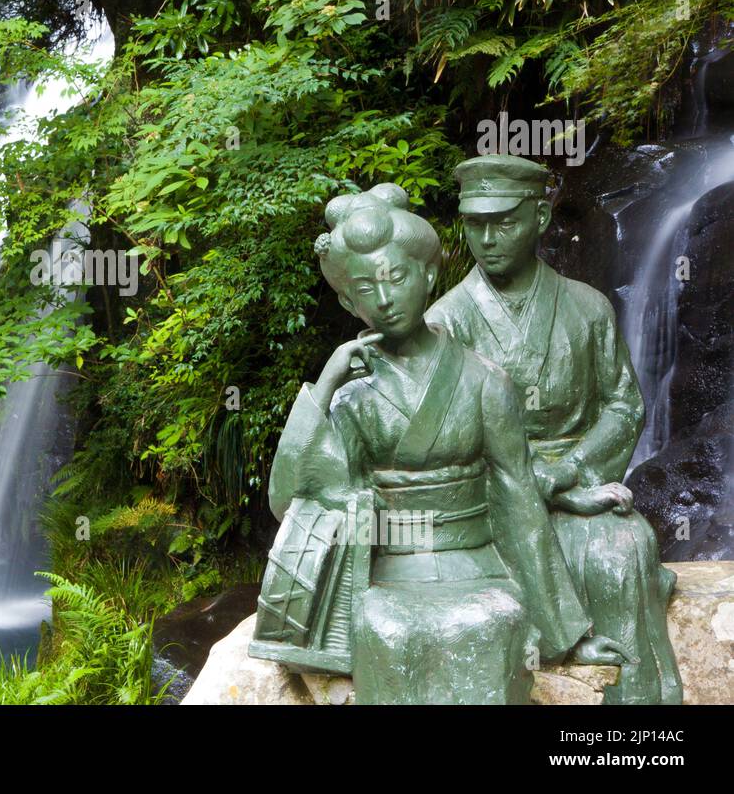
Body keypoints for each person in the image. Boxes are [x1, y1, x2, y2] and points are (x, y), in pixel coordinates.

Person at [252, 182, 624, 703]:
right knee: (385, 629)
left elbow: (516, 498)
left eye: (397, 278)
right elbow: (292, 499)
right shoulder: (351, 394)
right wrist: (324, 387)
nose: (384, 300)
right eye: (364, 288)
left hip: (476, 562)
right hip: (388, 570)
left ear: (427, 274)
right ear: (345, 298)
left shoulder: (483, 381)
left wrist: (565, 632)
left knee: (491, 623)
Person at [427, 154, 682, 705]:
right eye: (475, 223)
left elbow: (622, 406)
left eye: (505, 221)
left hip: (577, 481)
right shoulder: (446, 322)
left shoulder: (587, 308)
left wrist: (567, 474)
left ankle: (638, 725)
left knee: (624, 547)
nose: (488, 238)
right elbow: (441, 440)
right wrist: (528, 483)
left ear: (540, 219)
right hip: (494, 497)